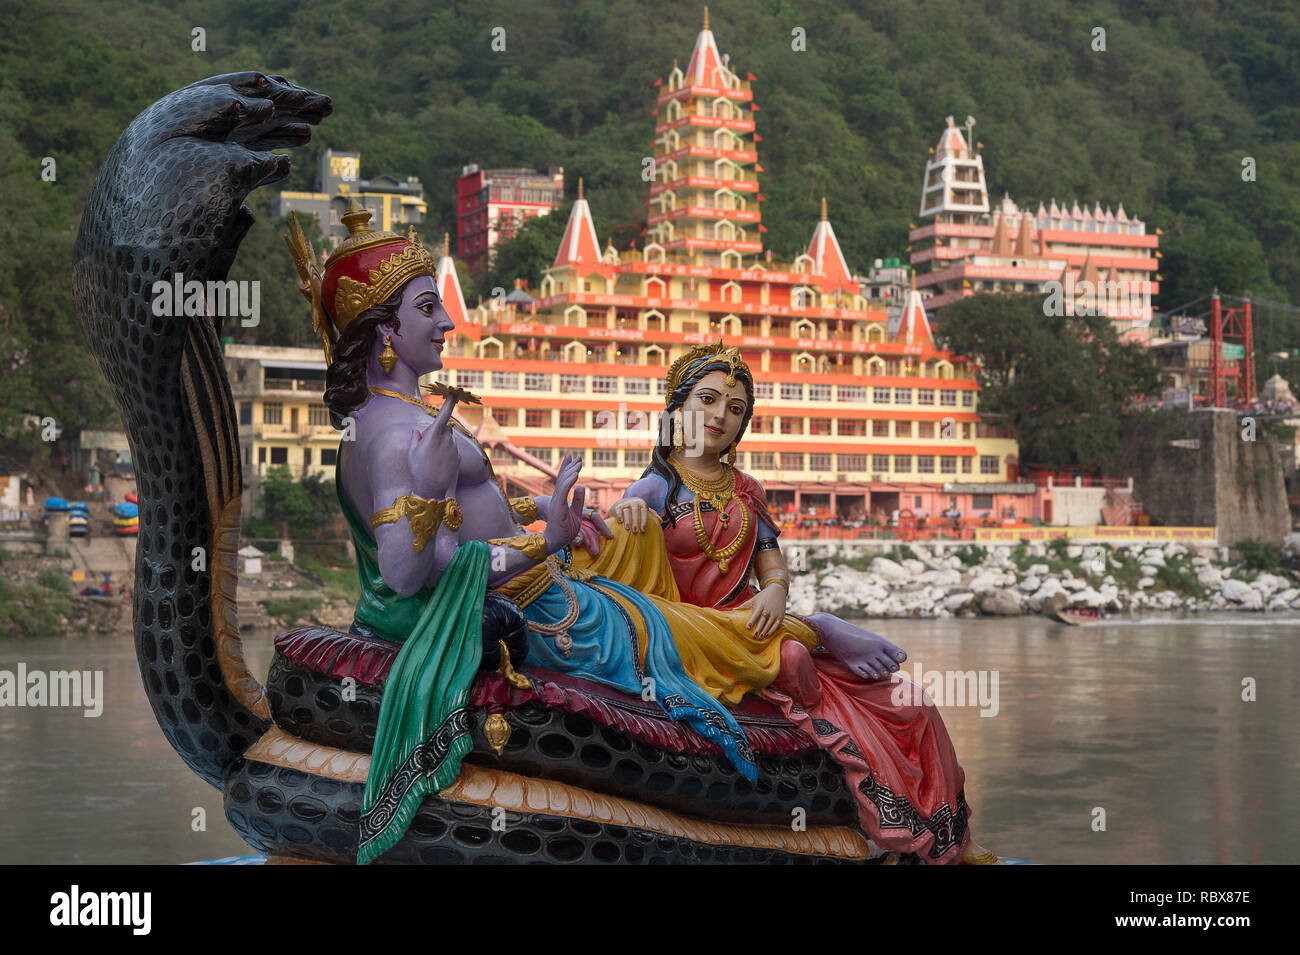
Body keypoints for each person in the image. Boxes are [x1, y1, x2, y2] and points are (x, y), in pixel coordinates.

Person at [285, 206, 869, 864]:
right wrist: (548, 539)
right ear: (383, 328)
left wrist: (540, 510)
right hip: (538, 606)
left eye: (733, 409)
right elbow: (409, 569)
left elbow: (461, 508)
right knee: (679, 632)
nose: (447, 323)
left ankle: (795, 638)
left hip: (543, 584)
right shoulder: (396, 434)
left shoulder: (391, 414)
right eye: (429, 309)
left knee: (645, 569)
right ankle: (811, 636)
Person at [591, 342, 997, 864]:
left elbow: (770, 561)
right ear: (677, 408)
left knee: (912, 702)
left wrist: (777, 591)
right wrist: (627, 516)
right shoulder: (653, 490)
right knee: (792, 658)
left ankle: (951, 840)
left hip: (757, 621)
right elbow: (614, 548)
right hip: (694, 634)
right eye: (708, 399)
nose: (719, 416)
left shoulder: (746, 490)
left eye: (734, 409)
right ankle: (816, 642)